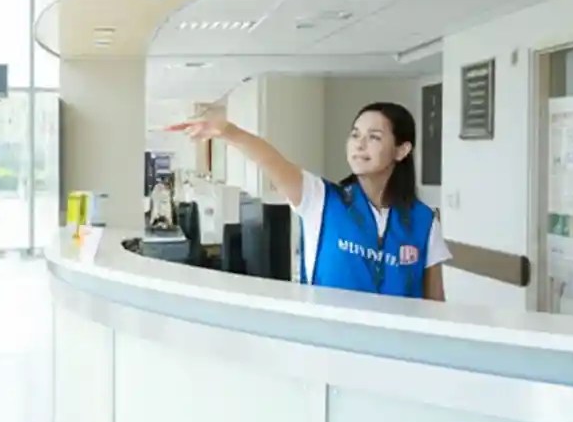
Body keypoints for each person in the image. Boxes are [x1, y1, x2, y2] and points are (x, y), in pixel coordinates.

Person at [170, 102, 449, 301]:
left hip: (400, 360)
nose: (359, 144)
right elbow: (271, 161)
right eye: (355, 135)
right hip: (330, 353)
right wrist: (228, 132)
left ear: (402, 150)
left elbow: (435, 305)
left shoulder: (424, 222)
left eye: (374, 137)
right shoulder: (322, 200)